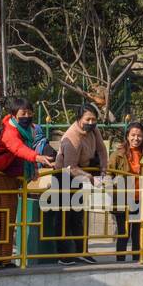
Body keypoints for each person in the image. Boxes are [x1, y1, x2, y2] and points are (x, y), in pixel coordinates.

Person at [0, 97, 52, 268]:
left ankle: (4, 259)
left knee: (9, 220)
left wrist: (34, 167)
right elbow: (18, 149)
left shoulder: (27, 131)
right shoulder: (10, 131)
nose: (27, 116)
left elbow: (24, 151)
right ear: (14, 115)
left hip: (12, 180)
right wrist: (36, 157)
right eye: (23, 113)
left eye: (29, 112)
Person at [48, 105, 107, 265]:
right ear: (79, 119)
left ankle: (82, 251)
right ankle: (63, 254)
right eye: (87, 119)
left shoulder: (94, 131)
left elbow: (102, 150)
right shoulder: (72, 137)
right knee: (64, 216)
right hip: (64, 177)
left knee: (79, 216)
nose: (91, 122)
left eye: (93, 119)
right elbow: (70, 167)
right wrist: (89, 176)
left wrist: (103, 171)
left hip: (80, 175)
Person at [107, 122, 143, 262]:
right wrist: (113, 188)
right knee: (123, 232)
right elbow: (109, 174)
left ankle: (136, 260)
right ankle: (120, 260)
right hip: (123, 199)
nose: (136, 138)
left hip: (140, 199)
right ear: (127, 136)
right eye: (133, 135)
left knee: (138, 233)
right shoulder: (118, 154)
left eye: (139, 135)